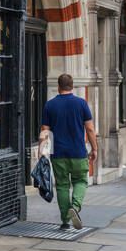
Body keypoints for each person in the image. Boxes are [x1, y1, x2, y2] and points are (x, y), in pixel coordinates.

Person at [38, 73, 98, 230]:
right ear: (72, 87)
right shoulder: (81, 103)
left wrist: (41, 151)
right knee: (81, 181)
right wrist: (94, 148)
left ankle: (65, 221)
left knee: (62, 186)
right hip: (78, 152)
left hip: (58, 154)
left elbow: (45, 131)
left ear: (58, 86)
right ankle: (75, 207)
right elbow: (90, 128)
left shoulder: (49, 105)